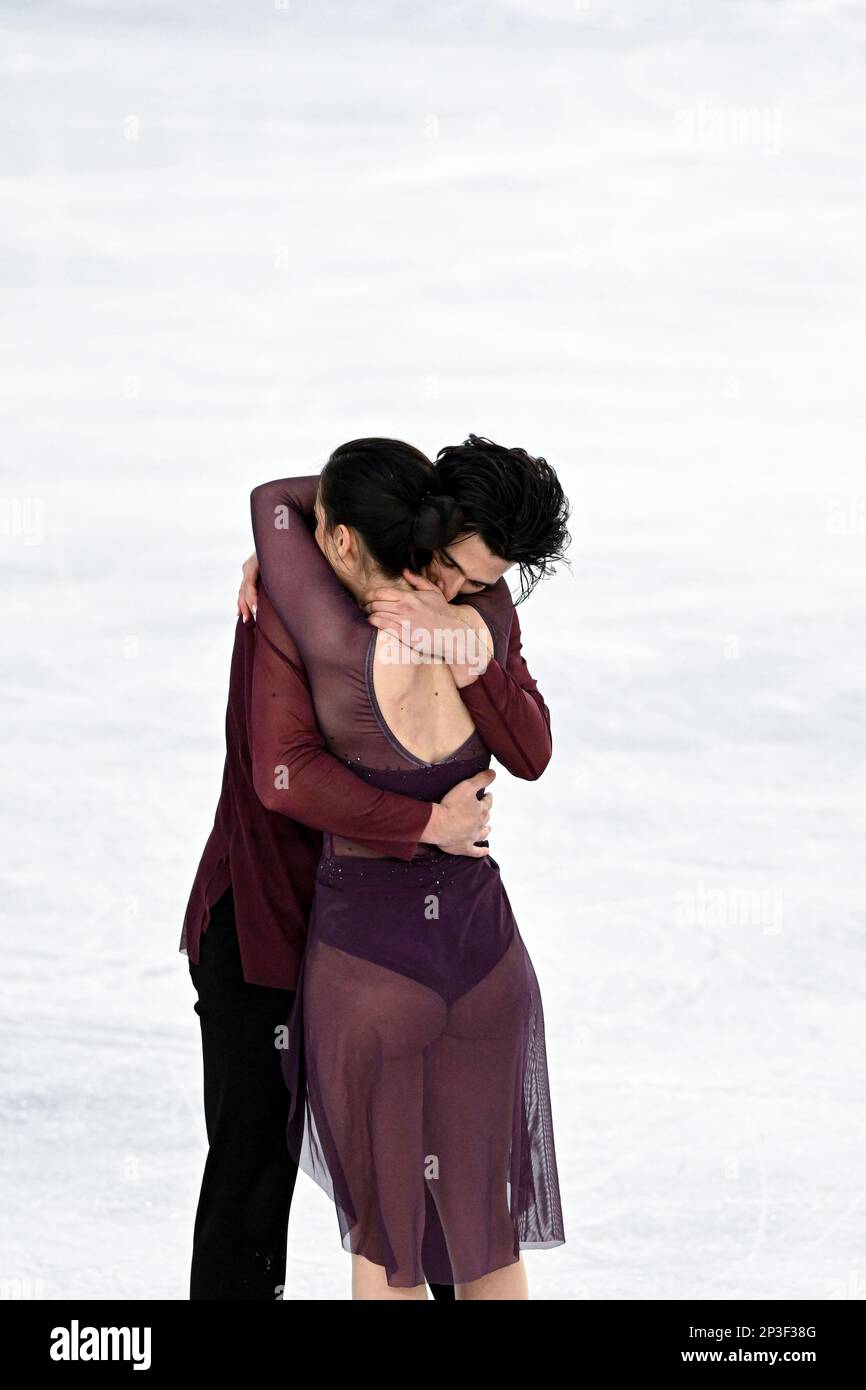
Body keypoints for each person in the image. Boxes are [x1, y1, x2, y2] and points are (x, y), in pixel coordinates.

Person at [182, 434, 568, 1300]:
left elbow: (532, 744)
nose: (457, 592)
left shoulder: (472, 612)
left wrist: (471, 635)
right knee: (255, 1162)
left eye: (483, 583)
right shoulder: (295, 596)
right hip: (268, 916)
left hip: (380, 936)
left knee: (441, 1208)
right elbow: (282, 780)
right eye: (456, 570)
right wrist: (429, 821)